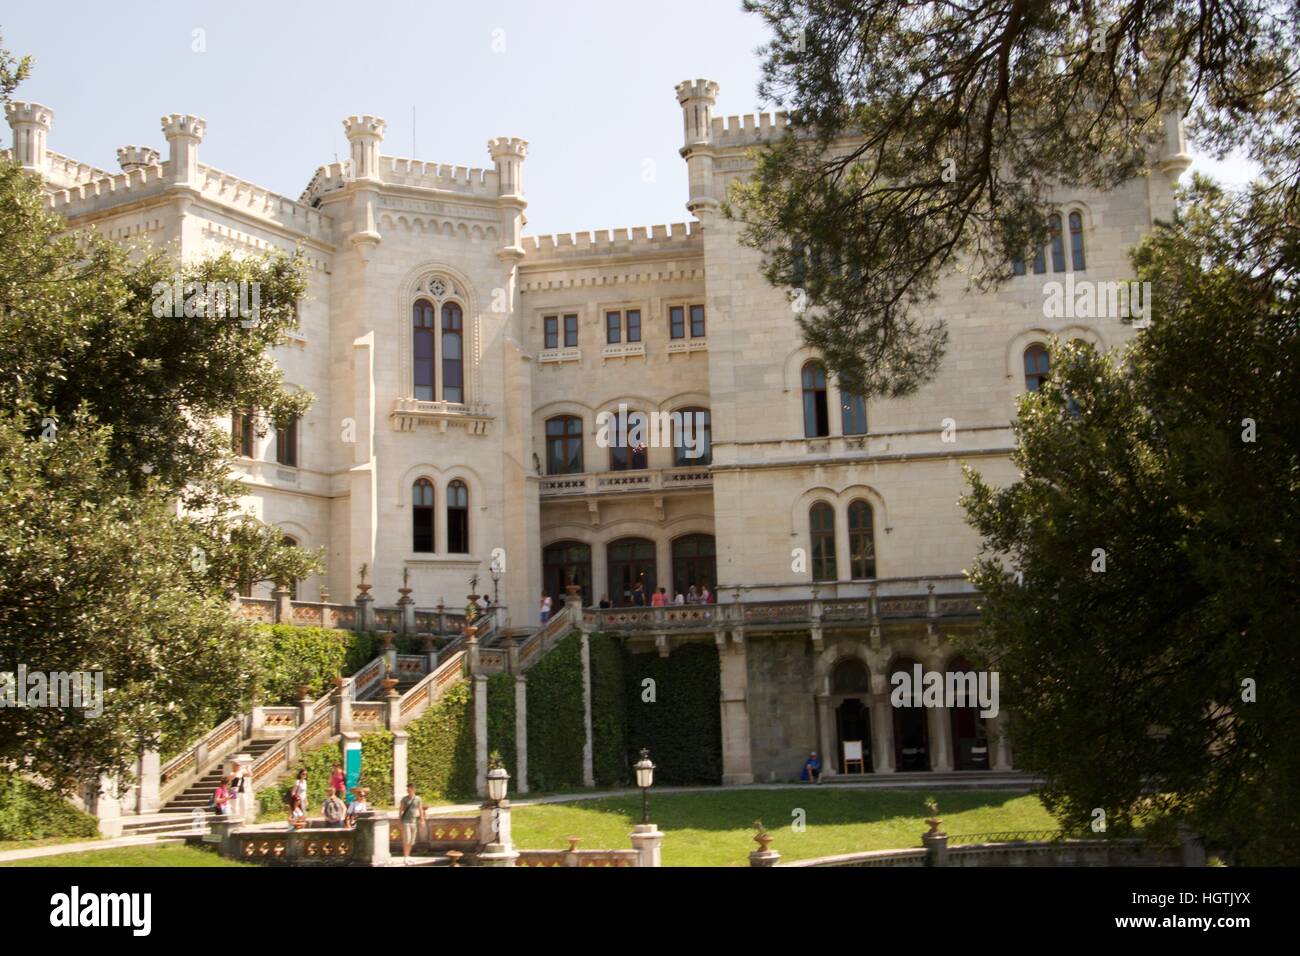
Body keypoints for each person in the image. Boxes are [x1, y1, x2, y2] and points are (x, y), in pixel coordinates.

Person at [399, 784, 427, 864]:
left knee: (412, 841)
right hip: (406, 822)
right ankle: (405, 857)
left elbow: (420, 809)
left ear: (414, 789)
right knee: (407, 839)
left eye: (409, 789)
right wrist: (400, 821)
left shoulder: (418, 799)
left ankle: (408, 856)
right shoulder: (404, 799)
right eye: (407, 789)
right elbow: (400, 810)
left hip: (414, 822)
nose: (408, 791)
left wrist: (422, 820)